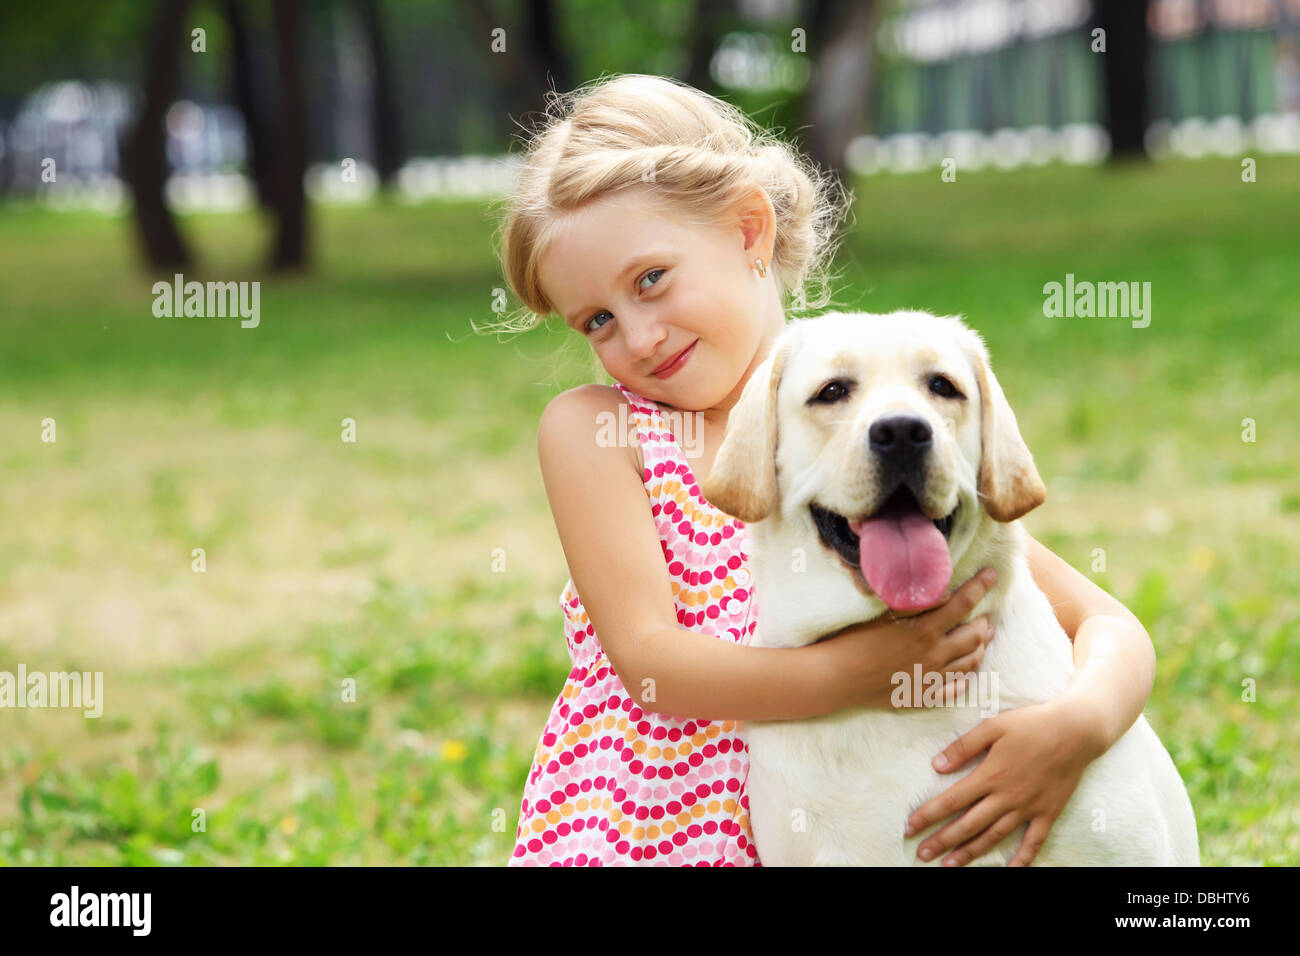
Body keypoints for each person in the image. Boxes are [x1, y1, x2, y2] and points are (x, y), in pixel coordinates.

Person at [488, 74, 1157, 866]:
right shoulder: (600, 430)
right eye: (597, 319)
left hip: (840, 815)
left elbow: (1109, 625)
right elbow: (651, 662)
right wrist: (859, 673)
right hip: (647, 828)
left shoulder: (862, 427)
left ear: (747, 231)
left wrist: (1075, 727)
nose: (638, 337)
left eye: (651, 281)